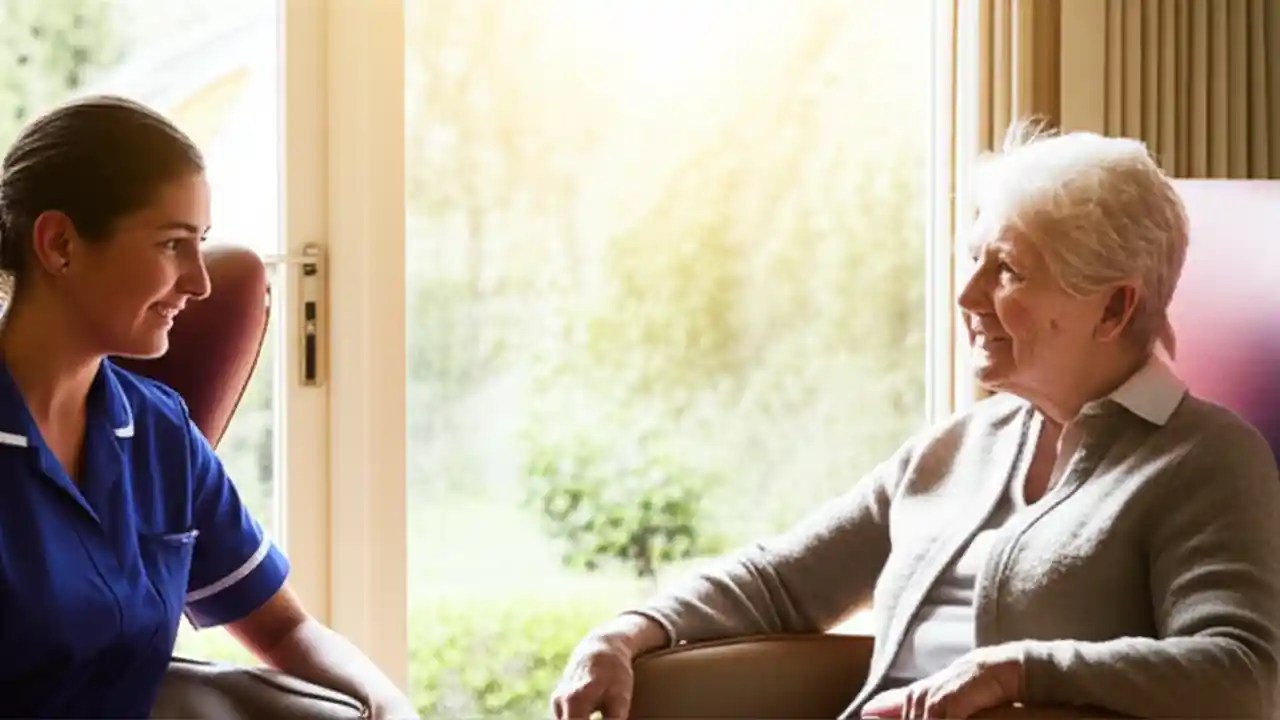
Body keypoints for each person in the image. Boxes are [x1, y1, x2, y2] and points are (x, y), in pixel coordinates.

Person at [550, 125, 1280, 719]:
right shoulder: (959, 447)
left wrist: (1017, 673)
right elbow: (782, 580)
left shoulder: (1204, 459)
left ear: (1114, 308)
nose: (967, 293)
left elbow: (1242, 676)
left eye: (1009, 271)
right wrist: (628, 631)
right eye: (972, 260)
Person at [0, 96, 417, 718]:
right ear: (60, 243)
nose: (199, 281)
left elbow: (284, 631)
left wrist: (390, 707)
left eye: (201, 244)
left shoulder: (159, 431)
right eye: (172, 245)